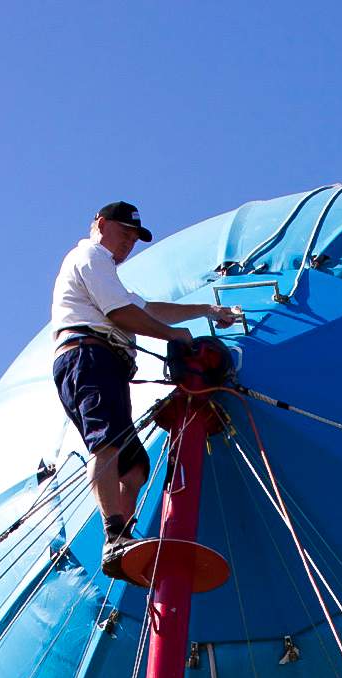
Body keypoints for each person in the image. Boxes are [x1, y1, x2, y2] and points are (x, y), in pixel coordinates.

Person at [51, 201, 241, 575]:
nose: (127, 245)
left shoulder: (105, 272)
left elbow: (147, 308)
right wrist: (175, 337)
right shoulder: (91, 256)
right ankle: (114, 535)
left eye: (133, 239)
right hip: (89, 355)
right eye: (124, 234)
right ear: (100, 224)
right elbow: (120, 314)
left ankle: (122, 534)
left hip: (106, 362)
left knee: (135, 466)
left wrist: (206, 310)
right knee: (106, 444)